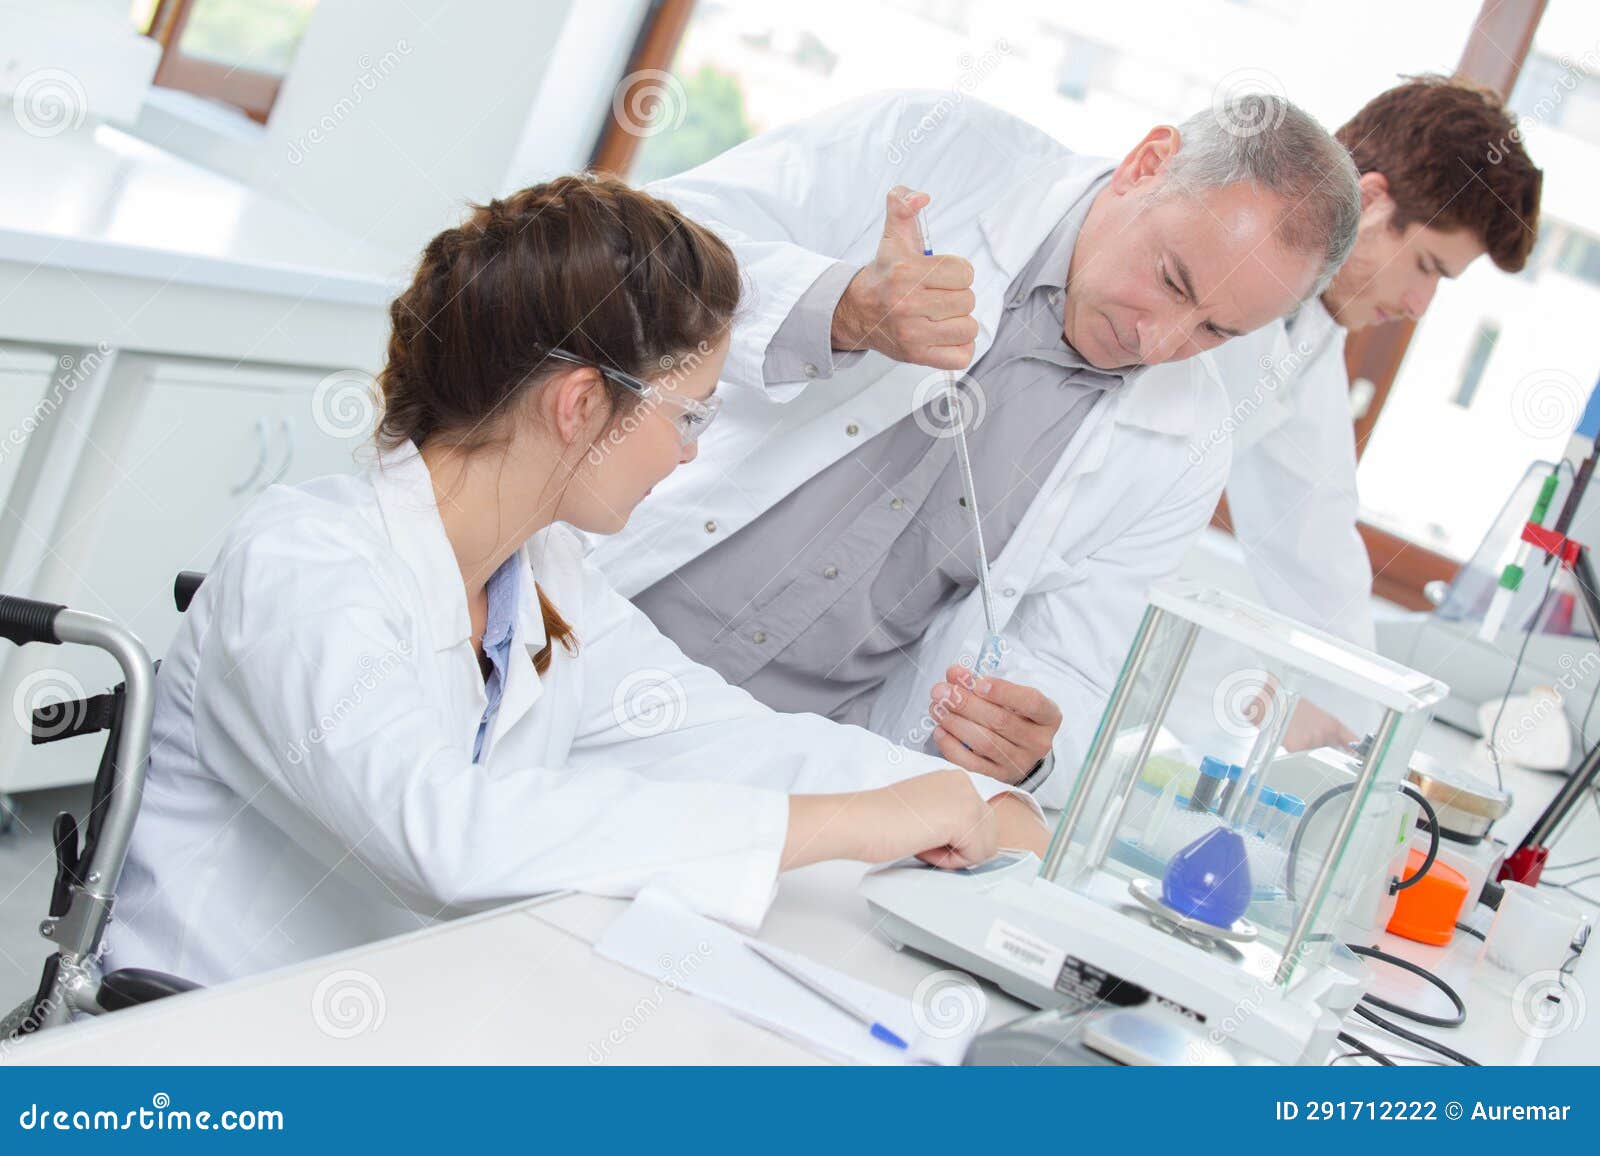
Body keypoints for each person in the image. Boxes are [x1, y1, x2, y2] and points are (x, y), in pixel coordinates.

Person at [104, 174, 1046, 987]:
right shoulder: (306, 565)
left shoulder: (547, 582)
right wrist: (853, 822)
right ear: (581, 403)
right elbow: (443, 838)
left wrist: (978, 804)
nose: (689, 455)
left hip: (399, 1025)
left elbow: (720, 737)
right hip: (202, 1040)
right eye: (691, 415)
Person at [590, 89, 1361, 807]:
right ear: (1146, 165)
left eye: (1216, 332)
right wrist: (837, 309)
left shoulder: (1186, 444)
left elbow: (1072, 672)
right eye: (1170, 280)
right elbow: (631, 249)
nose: (1157, 341)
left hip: (786, 772)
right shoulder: (932, 151)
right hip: (589, 634)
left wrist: (1029, 756)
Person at [1199, 76, 1543, 747]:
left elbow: (1318, 549)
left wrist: (1359, 732)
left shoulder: (1309, 333)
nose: (1418, 306)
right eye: (1426, 267)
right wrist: (1246, 695)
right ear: (1373, 202)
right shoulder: (1218, 285)